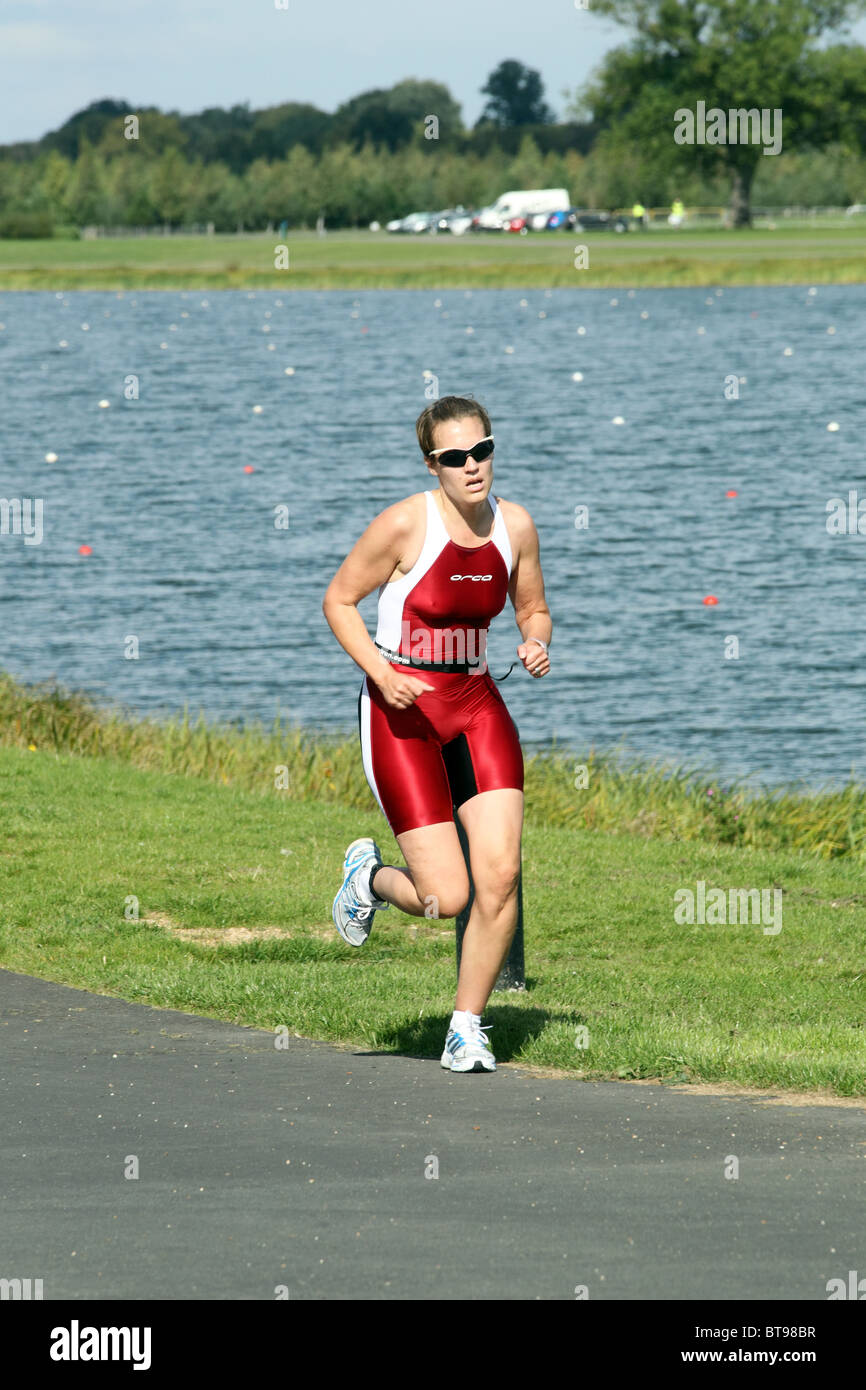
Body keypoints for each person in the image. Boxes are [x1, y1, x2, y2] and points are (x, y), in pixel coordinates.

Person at [322, 395, 552, 1074]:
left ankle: (466, 1027)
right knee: (445, 897)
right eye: (456, 457)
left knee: (501, 873)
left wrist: (535, 641)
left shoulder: (516, 526)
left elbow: (533, 606)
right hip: (402, 710)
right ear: (434, 464)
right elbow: (338, 600)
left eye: (483, 449)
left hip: (476, 701)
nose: (473, 465)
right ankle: (367, 878)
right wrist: (381, 674)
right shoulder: (404, 525)